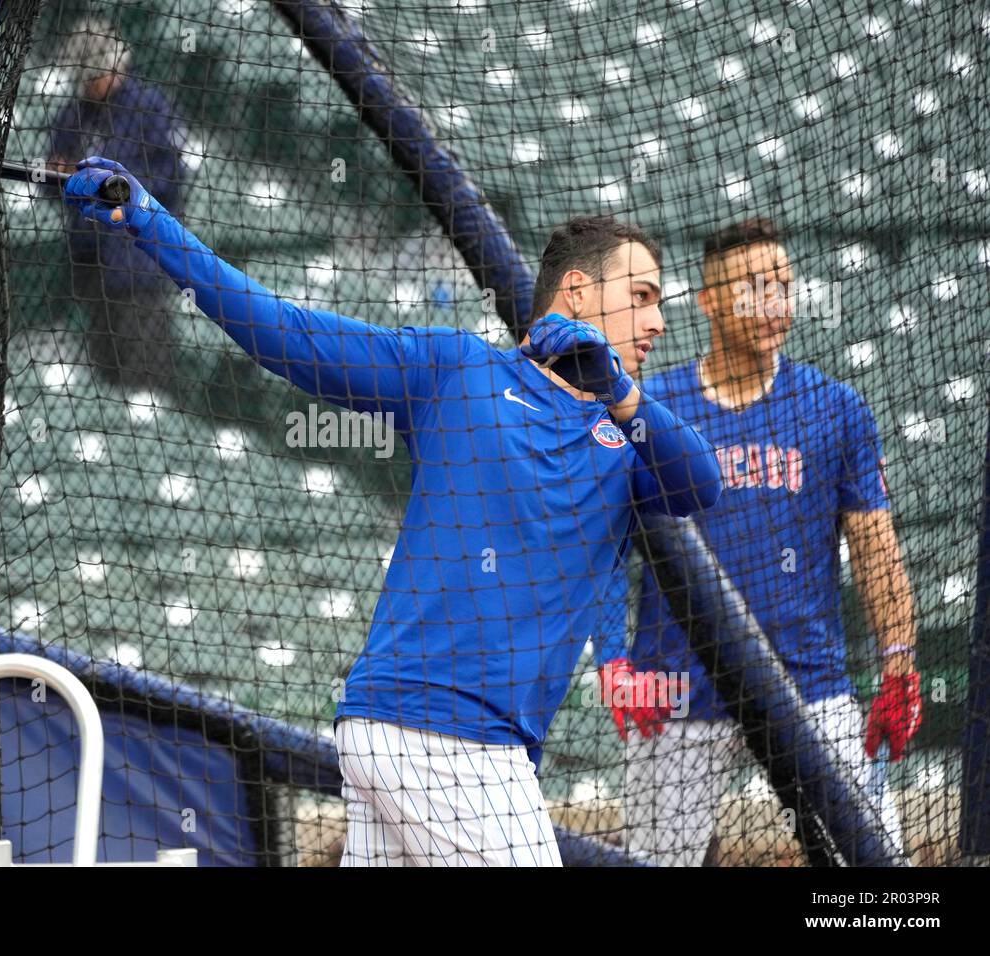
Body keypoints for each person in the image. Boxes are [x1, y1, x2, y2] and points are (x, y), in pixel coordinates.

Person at [63, 157, 723, 865]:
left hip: (426, 739)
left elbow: (700, 485)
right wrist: (149, 221)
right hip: (445, 735)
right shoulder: (457, 371)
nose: (657, 321)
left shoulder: (632, 438)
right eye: (644, 294)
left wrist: (619, 392)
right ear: (578, 292)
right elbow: (283, 331)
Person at [603, 217, 920, 865]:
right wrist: (614, 658)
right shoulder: (651, 407)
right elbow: (604, 544)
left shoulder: (836, 408)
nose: (773, 301)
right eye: (752, 286)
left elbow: (875, 546)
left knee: (877, 863)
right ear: (709, 300)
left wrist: (898, 662)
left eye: (783, 284)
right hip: (678, 689)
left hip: (810, 685)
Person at [47, 20, 187, 390]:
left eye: (95, 75)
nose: (89, 84)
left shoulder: (148, 108)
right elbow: (54, 180)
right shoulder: (73, 115)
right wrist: (56, 177)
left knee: (145, 372)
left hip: (137, 261)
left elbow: (172, 177)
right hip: (90, 257)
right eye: (83, 77)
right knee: (103, 368)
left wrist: (116, 193)